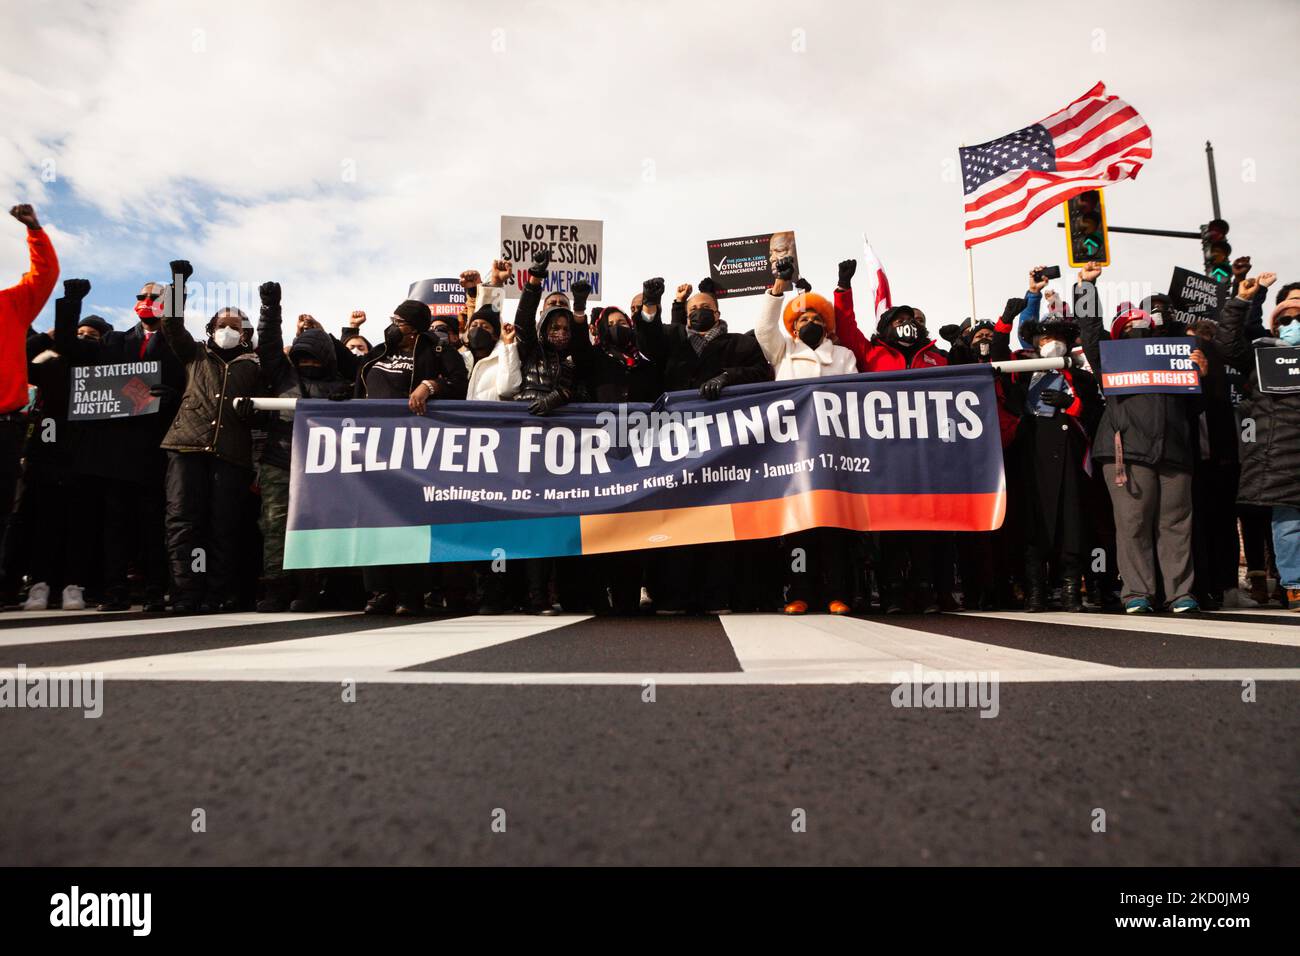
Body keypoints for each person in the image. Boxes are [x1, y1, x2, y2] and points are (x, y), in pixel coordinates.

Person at [635, 272, 772, 614]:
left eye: (705, 307)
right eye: (693, 308)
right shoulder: (673, 338)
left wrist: (728, 378)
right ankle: (673, 595)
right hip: (676, 445)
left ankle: (716, 596)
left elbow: (761, 373)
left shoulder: (741, 343)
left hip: (724, 447)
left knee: (717, 521)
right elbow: (648, 342)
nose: (698, 312)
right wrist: (651, 305)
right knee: (677, 520)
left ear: (718, 312)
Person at [1077, 263, 1203, 614]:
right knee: (1133, 523)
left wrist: (1201, 374)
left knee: (1175, 524)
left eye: (1146, 321)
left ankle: (1180, 594)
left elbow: (1197, 406)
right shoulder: (1111, 357)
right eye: (1131, 325)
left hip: (1174, 451)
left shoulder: (1181, 354)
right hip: (1127, 450)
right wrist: (1086, 289)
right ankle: (1137, 592)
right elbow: (1090, 332)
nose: (1141, 328)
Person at [754, 256, 858, 614]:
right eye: (803, 319)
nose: (810, 323)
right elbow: (764, 330)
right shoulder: (784, 352)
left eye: (816, 318)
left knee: (833, 525)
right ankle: (799, 592)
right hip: (794, 453)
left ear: (827, 326)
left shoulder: (843, 356)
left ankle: (837, 593)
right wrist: (779, 287)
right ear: (793, 327)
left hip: (832, 451)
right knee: (799, 527)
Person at [158, 264, 263, 613]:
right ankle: (187, 593)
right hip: (186, 448)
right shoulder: (195, 355)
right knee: (184, 521)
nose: (229, 331)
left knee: (223, 526)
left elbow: (265, 412)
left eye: (236, 327)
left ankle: (217, 594)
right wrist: (178, 283)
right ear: (210, 330)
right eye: (222, 326)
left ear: (246, 335)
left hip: (230, 456)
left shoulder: (255, 366)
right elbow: (170, 325)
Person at [355, 297, 468, 614]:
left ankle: (409, 593)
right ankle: (380, 591)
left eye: (400, 322)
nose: (393, 326)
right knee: (375, 518)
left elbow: (460, 382)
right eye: (392, 320)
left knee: (407, 519)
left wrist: (430, 385)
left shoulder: (439, 351)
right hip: (373, 446)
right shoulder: (378, 352)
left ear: (415, 328)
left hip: (415, 447)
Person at [245, 281, 352, 612]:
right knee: (275, 527)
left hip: (322, 466)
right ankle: (275, 588)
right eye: (301, 355)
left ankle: (309, 589)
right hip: (278, 461)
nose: (306, 362)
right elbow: (270, 347)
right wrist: (270, 308)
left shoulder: (341, 387)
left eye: (313, 356)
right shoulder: (282, 377)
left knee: (314, 527)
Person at [994, 292, 1101, 611]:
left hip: (1069, 455)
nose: (1051, 342)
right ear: (1036, 343)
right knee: (1031, 523)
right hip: (1031, 454)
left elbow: (1096, 411)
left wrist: (1073, 404)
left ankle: (1071, 590)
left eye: (1058, 338)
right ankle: (1035, 591)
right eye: (1045, 337)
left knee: (1072, 523)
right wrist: (1005, 322)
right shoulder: (1023, 372)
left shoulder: (1080, 377)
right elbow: (995, 361)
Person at [1217, 273, 1300, 611]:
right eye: (1287, 319)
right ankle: (1295, 586)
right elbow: (1227, 345)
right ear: (1277, 326)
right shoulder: (1261, 356)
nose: (1293, 323)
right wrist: (1240, 302)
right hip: (1280, 458)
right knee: (1289, 527)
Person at [0, 204, 58, 604]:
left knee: (3, 511)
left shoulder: (10, 304)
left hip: (5, 425)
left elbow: (44, 276)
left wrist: (34, 231)